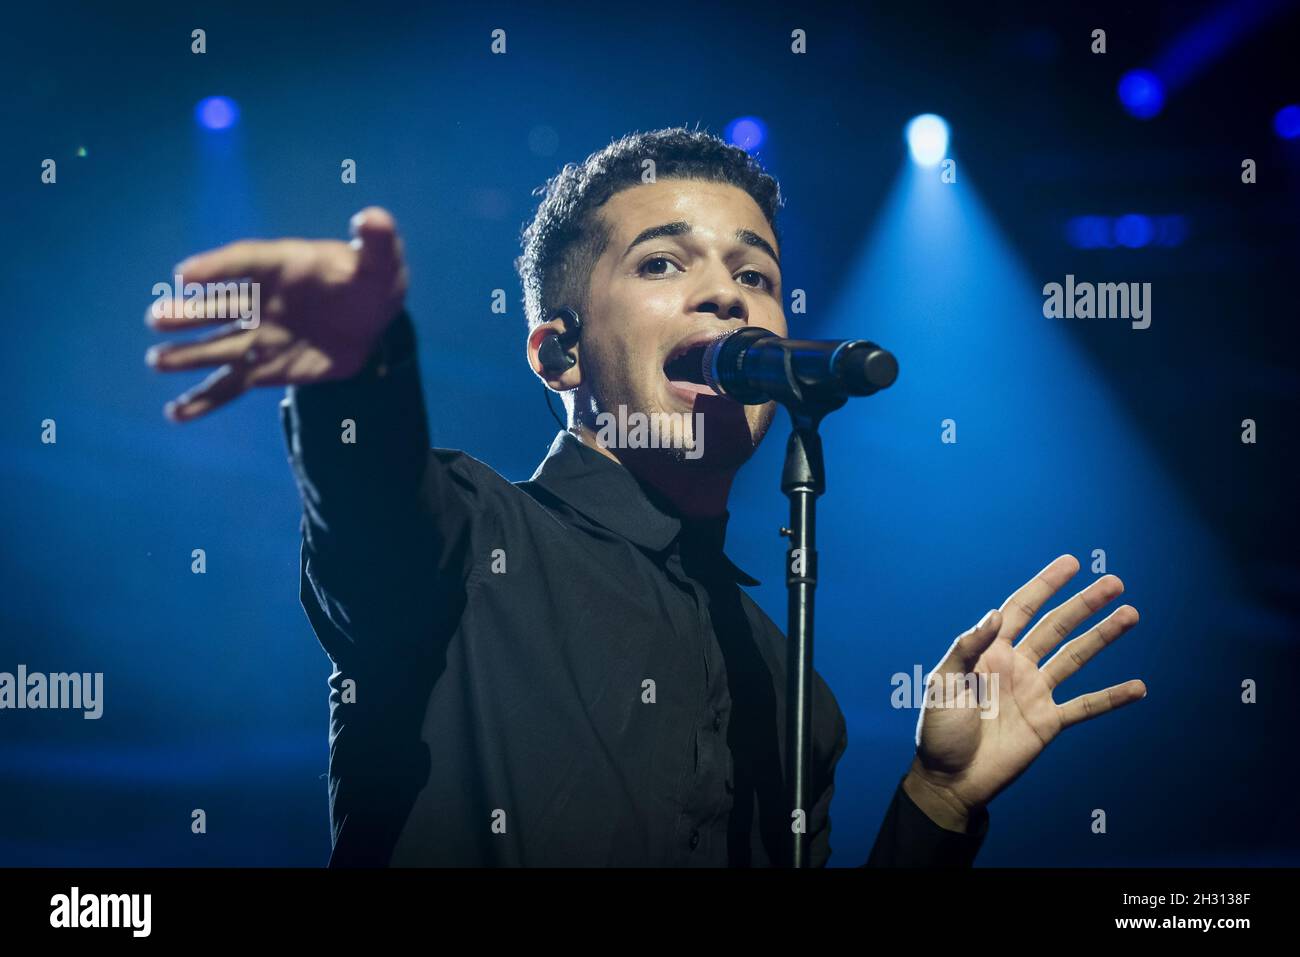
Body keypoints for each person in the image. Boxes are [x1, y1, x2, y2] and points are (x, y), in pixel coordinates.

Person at [144, 128, 1146, 866]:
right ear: (557, 352)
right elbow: (364, 496)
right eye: (662, 262)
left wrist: (935, 801)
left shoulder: (787, 684)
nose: (726, 296)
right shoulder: (462, 539)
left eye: (756, 274)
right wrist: (357, 361)